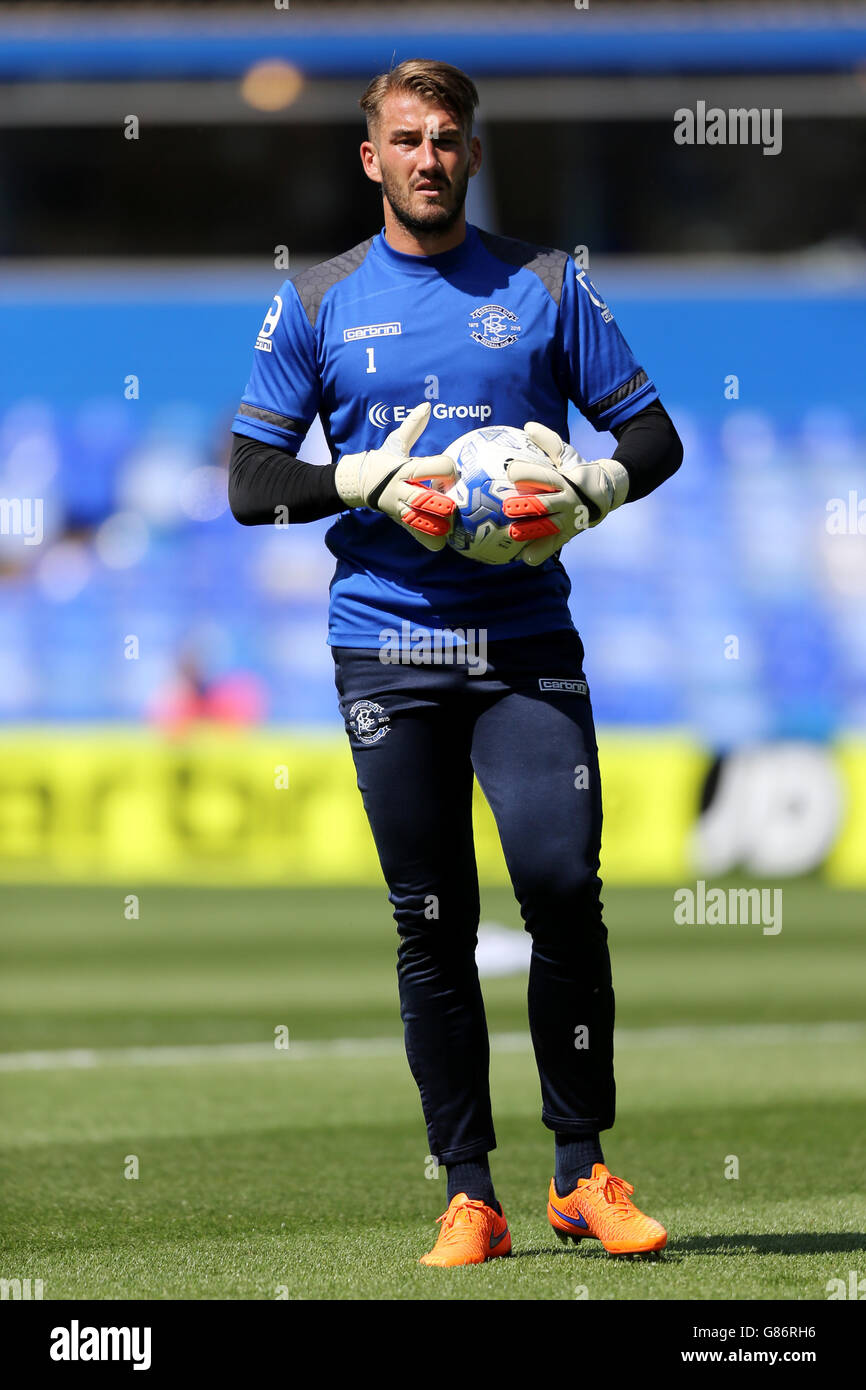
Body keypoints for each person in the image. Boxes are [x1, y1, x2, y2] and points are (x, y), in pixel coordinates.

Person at [229, 59, 682, 1267]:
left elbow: (655, 434)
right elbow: (248, 484)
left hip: (525, 646)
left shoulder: (545, 285)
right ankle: (469, 1193)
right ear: (370, 159)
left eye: (447, 138)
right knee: (431, 920)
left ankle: (580, 1171)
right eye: (405, 139)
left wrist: (592, 485)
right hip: (386, 645)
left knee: (559, 887)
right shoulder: (316, 302)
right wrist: (360, 478)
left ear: (472, 154)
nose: (428, 157)